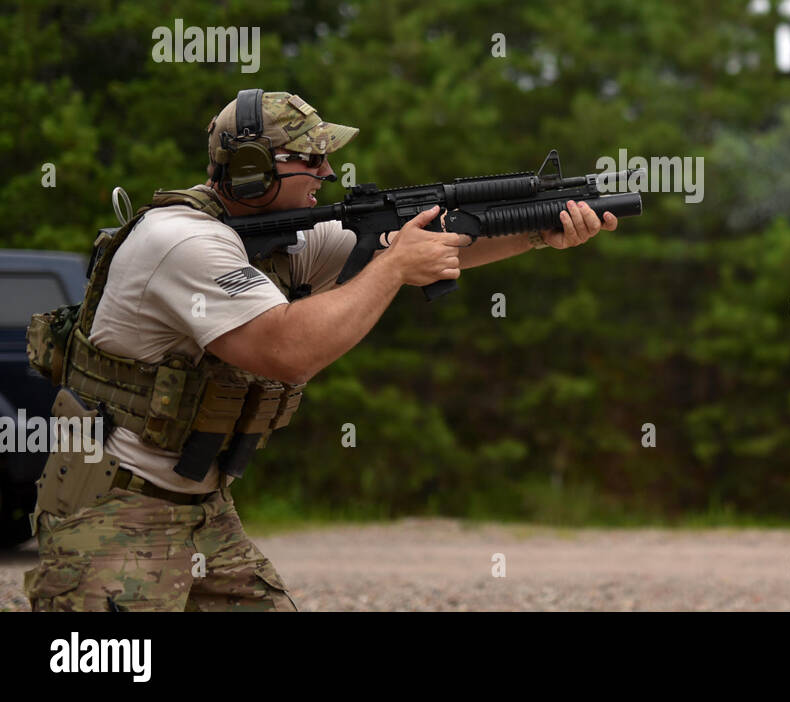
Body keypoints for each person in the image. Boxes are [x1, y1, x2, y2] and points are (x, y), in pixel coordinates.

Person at [23, 89, 617, 611]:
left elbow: (442, 244)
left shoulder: (276, 237)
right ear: (253, 170)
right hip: (112, 512)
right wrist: (391, 269)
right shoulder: (182, 242)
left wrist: (540, 230)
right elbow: (288, 350)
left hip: (199, 508)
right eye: (311, 159)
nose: (328, 171)